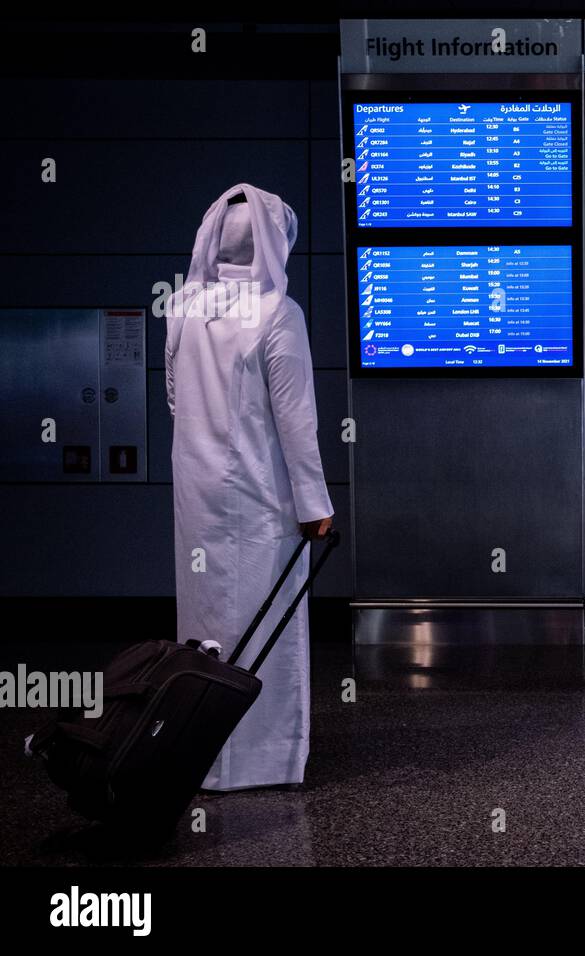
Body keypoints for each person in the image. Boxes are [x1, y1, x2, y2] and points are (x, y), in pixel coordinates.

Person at [165, 183, 333, 791]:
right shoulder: (278, 313)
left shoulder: (184, 306)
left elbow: (176, 401)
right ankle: (262, 762)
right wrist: (315, 506)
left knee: (205, 625)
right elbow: (296, 422)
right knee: (264, 631)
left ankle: (197, 753)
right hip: (261, 501)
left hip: (197, 499)